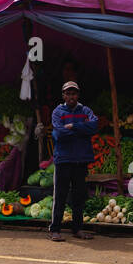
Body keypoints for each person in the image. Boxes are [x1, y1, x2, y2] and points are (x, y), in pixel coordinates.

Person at [48, 81, 98, 242]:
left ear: (78, 95)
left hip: (81, 160)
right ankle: (55, 229)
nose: (71, 96)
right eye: (68, 93)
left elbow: (94, 126)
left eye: (74, 93)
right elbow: (58, 134)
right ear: (63, 95)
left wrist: (72, 126)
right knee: (60, 195)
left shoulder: (86, 110)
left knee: (79, 196)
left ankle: (77, 229)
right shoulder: (58, 112)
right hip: (63, 160)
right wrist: (81, 129)